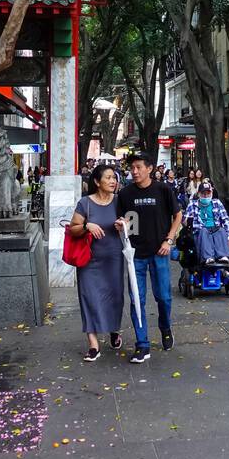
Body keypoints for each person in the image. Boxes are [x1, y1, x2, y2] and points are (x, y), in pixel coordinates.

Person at [116, 152, 183, 362]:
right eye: (132, 168)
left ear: (149, 168)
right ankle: (142, 344)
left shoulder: (163, 189)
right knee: (137, 299)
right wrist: (122, 226)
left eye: (138, 167)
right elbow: (124, 219)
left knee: (163, 296)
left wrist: (169, 240)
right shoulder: (125, 194)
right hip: (134, 255)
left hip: (159, 252)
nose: (134, 172)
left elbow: (178, 215)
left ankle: (165, 326)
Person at [69, 164, 125, 361]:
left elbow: (132, 226)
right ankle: (93, 344)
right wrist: (86, 225)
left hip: (114, 259)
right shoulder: (85, 203)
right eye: (108, 177)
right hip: (89, 261)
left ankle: (114, 330)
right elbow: (72, 228)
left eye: (114, 178)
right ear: (96, 181)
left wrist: (124, 225)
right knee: (89, 298)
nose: (113, 181)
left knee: (114, 297)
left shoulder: (120, 202)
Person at [186, 180, 229, 263]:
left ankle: (222, 256)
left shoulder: (217, 203)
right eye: (203, 193)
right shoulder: (192, 204)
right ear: (198, 194)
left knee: (221, 230)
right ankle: (208, 257)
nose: (205, 196)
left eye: (208, 193)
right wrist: (188, 221)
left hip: (215, 229)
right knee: (204, 231)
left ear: (211, 193)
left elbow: (226, 221)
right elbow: (185, 221)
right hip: (200, 231)